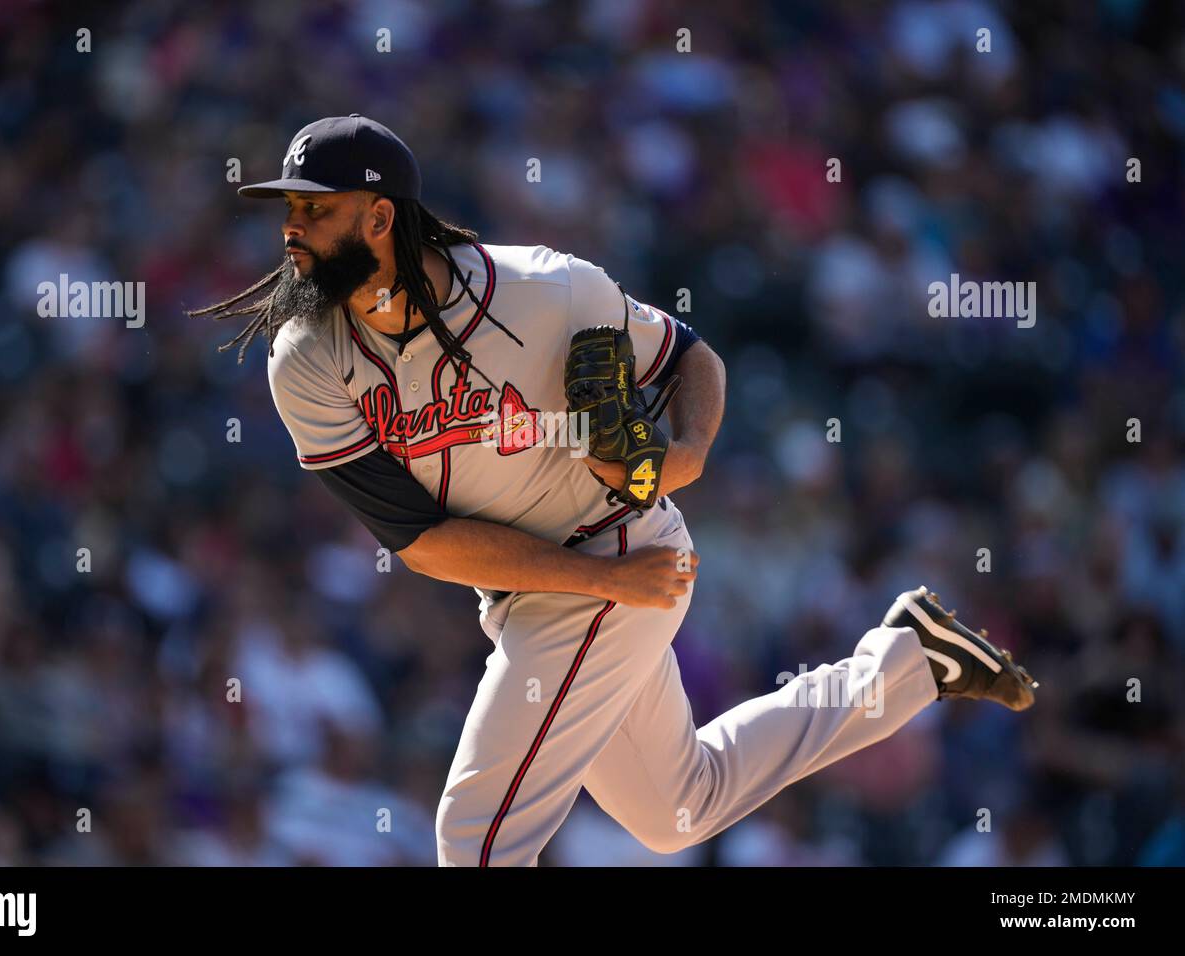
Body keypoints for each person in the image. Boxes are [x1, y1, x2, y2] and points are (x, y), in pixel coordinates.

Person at [193, 114, 1039, 867]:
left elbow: (688, 360)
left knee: (475, 837)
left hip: (621, 545)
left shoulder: (546, 289)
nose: (292, 229)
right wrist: (600, 586)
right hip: (571, 582)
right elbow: (420, 541)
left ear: (380, 217)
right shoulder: (305, 357)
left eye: (315, 207)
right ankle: (910, 661)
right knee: (681, 809)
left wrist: (693, 452)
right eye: (289, 208)